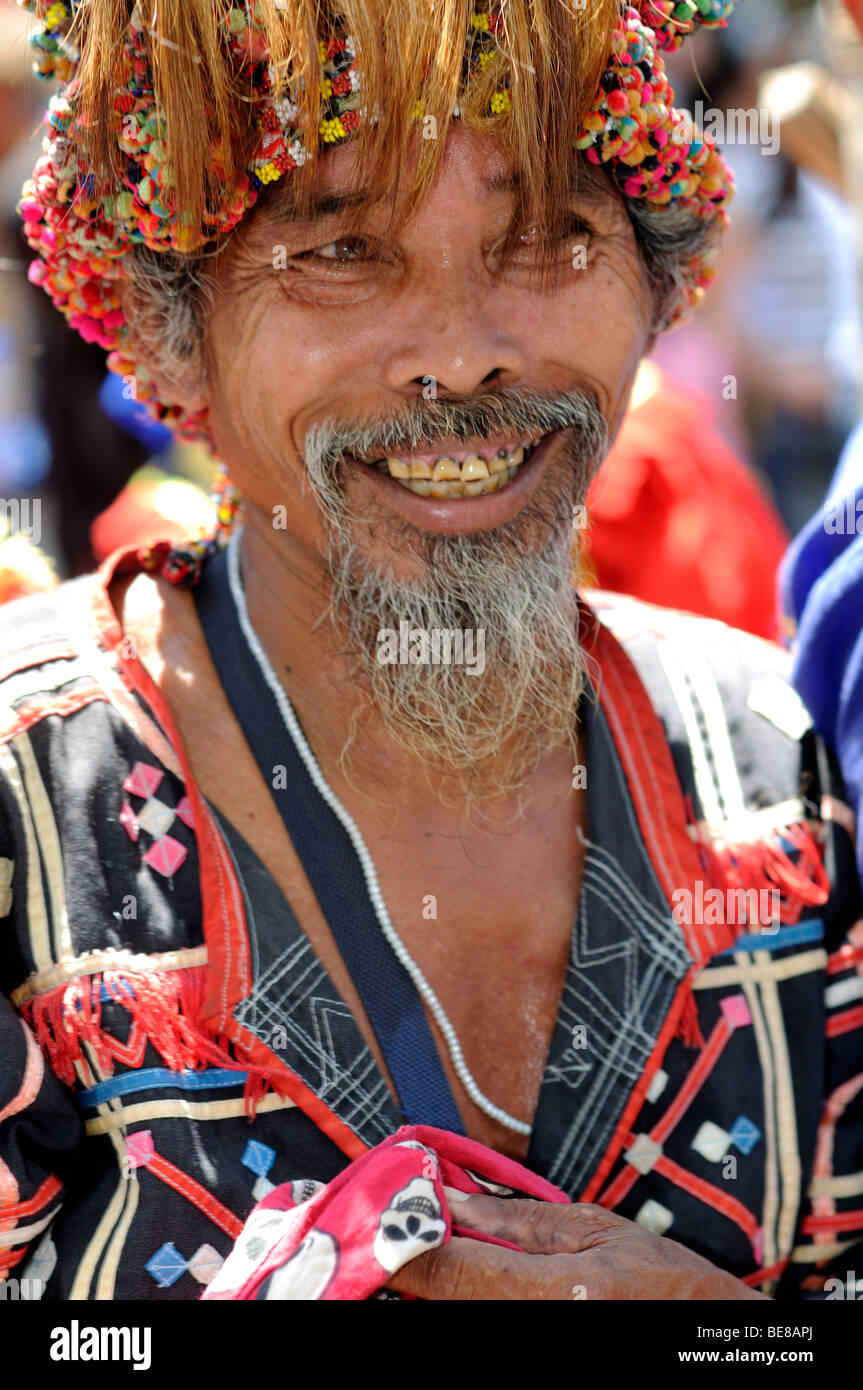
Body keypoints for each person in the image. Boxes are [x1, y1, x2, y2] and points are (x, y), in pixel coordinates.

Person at [0, 0, 860, 1302]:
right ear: (174, 339)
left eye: (551, 235)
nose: (462, 354)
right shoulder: (25, 818)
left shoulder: (786, 786)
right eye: (343, 249)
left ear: (658, 286)